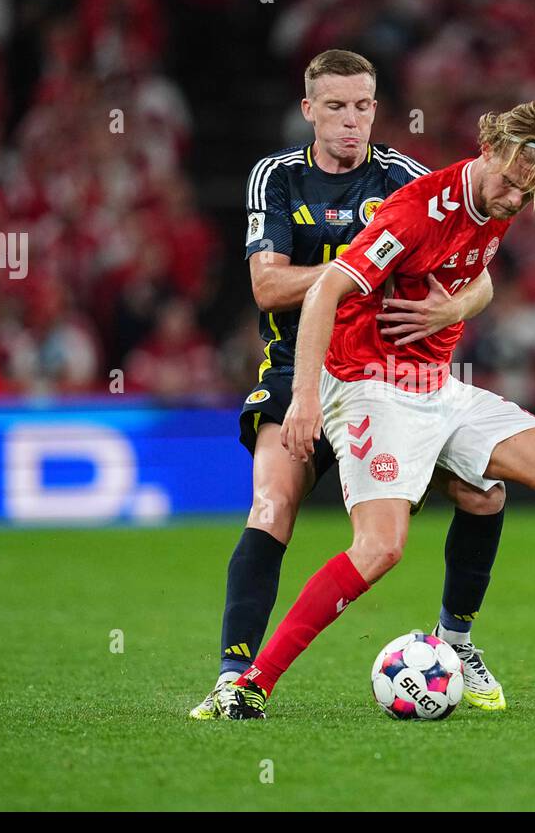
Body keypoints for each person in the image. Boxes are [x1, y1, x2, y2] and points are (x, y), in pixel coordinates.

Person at [214, 101, 535, 720]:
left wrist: (452, 311)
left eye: (529, 188)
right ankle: (250, 684)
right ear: (486, 152)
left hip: (437, 385)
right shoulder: (415, 210)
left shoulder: (499, 201)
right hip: (370, 384)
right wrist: (304, 399)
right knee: (380, 548)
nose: (516, 196)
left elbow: (476, 277)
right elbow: (325, 289)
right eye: (509, 181)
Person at [190, 50, 510, 720]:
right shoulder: (276, 177)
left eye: (362, 106)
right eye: (335, 107)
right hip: (297, 373)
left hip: (389, 377)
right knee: (272, 507)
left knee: (482, 490)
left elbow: (477, 271)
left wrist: (453, 307)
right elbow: (267, 284)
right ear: (309, 110)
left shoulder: (408, 180)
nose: (350, 121)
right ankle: (234, 674)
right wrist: (362, 270)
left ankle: (458, 642)